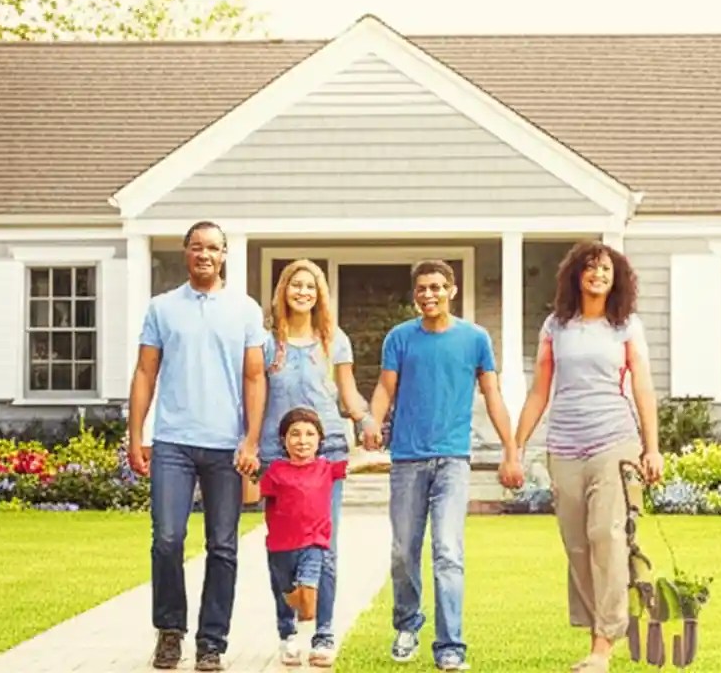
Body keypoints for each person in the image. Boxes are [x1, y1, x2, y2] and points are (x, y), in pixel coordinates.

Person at [363, 259, 525, 671]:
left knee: (448, 551)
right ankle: (407, 625)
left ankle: (450, 645)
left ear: (451, 290)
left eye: (437, 287)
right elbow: (385, 387)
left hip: (453, 459)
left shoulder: (475, 339)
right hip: (407, 459)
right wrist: (372, 422)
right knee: (403, 551)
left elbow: (492, 396)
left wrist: (510, 450)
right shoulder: (401, 338)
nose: (429, 294)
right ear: (415, 294)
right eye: (422, 288)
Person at [512, 241, 664, 673]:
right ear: (576, 275)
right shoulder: (556, 326)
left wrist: (652, 448)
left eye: (606, 270)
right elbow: (539, 391)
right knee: (577, 545)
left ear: (617, 280)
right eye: (591, 268)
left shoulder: (625, 326)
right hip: (564, 447)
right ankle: (599, 628)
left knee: (608, 536)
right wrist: (516, 448)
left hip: (614, 443)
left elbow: (642, 387)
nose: (598, 275)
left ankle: (603, 645)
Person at [126, 220, 267, 672]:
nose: (205, 254)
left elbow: (255, 376)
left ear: (224, 254)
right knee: (167, 540)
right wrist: (136, 435)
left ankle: (212, 643)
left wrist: (250, 439)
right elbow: (145, 372)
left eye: (213, 248)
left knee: (223, 546)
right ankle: (170, 632)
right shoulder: (162, 308)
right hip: (173, 442)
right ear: (185, 252)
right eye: (197, 247)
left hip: (226, 447)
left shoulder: (245, 310)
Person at [258, 258, 378, 666]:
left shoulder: (334, 340)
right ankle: (288, 631)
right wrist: (248, 442)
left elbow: (347, 392)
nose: (303, 292)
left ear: (319, 294)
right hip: (276, 455)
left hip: (325, 453)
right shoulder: (266, 343)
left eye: (310, 286)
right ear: (283, 291)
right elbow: (254, 394)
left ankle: (324, 634)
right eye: (296, 285)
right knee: (283, 549)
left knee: (324, 546)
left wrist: (365, 419)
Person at [256, 406, 350, 666]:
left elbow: (357, 463)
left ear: (320, 440)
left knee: (308, 593)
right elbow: (254, 497)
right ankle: (288, 635)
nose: (302, 440)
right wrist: (248, 468)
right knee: (285, 593)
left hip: (314, 543)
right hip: (280, 547)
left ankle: (320, 637)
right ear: (284, 440)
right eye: (295, 434)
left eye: (310, 434)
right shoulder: (275, 471)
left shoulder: (326, 468)